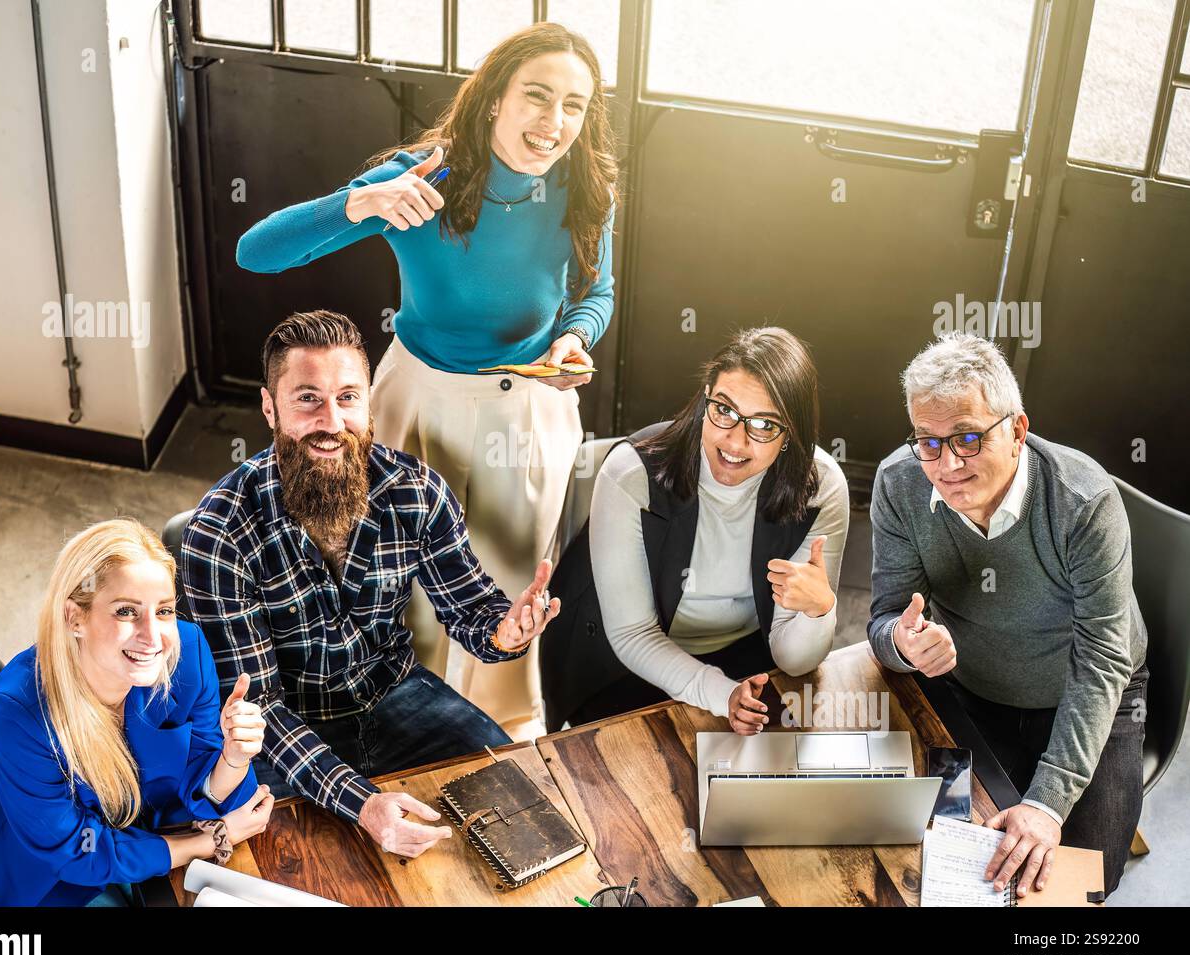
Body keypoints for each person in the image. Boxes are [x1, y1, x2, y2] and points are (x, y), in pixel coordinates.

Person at [235, 22, 617, 736]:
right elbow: (256, 251)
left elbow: (598, 290)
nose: (555, 122)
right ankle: (399, 722)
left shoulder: (585, 185)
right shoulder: (420, 177)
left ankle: (497, 736)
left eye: (575, 105)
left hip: (526, 414)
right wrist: (361, 202)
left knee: (504, 583)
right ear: (494, 97)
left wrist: (574, 335)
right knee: (400, 578)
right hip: (416, 401)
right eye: (537, 95)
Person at [181, 310, 562, 860]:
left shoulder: (416, 490)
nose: (332, 422)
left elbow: (473, 610)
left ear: (368, 402)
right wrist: (362, 802)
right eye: (307, 399)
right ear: (270, 408)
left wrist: (505, 632)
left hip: (397, 695)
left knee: (524, 824)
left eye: (348, 398)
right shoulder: (219, 533)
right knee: (299, 878)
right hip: (284, 733)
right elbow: (257, 706)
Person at [868, 332, 1148, 899]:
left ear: (1017, 431)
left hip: (1088, 692)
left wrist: (1046, 801)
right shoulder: (899, 482)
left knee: (1078, 886)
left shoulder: (1082, 502)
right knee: (923, 863)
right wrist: (903, 643)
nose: (947, 463)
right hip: (968, 688)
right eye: (928, 440)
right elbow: (884, 618)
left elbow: (1102, 659)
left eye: (968, 438)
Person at [0, 519, 273, 907]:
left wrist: (232, 759)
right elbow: (76, 852)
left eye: (163, 610)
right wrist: (207, 841)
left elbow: (207, 778)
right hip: (48, 883)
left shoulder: (187, 655)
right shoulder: (13, 717)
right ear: (75, 618)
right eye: (126, 612)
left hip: (146, 841)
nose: (153, 636)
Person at [544, 327, 849, 733]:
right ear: (706, 395)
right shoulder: (632, 472)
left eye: (764, 425)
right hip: (619, 665)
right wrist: (720, 694)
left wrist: (818, 610)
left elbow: (795, 660)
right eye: (723, 410)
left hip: (746, 655)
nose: (735, 442)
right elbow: (634, 634)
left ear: (791, 434)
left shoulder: (821, 487)